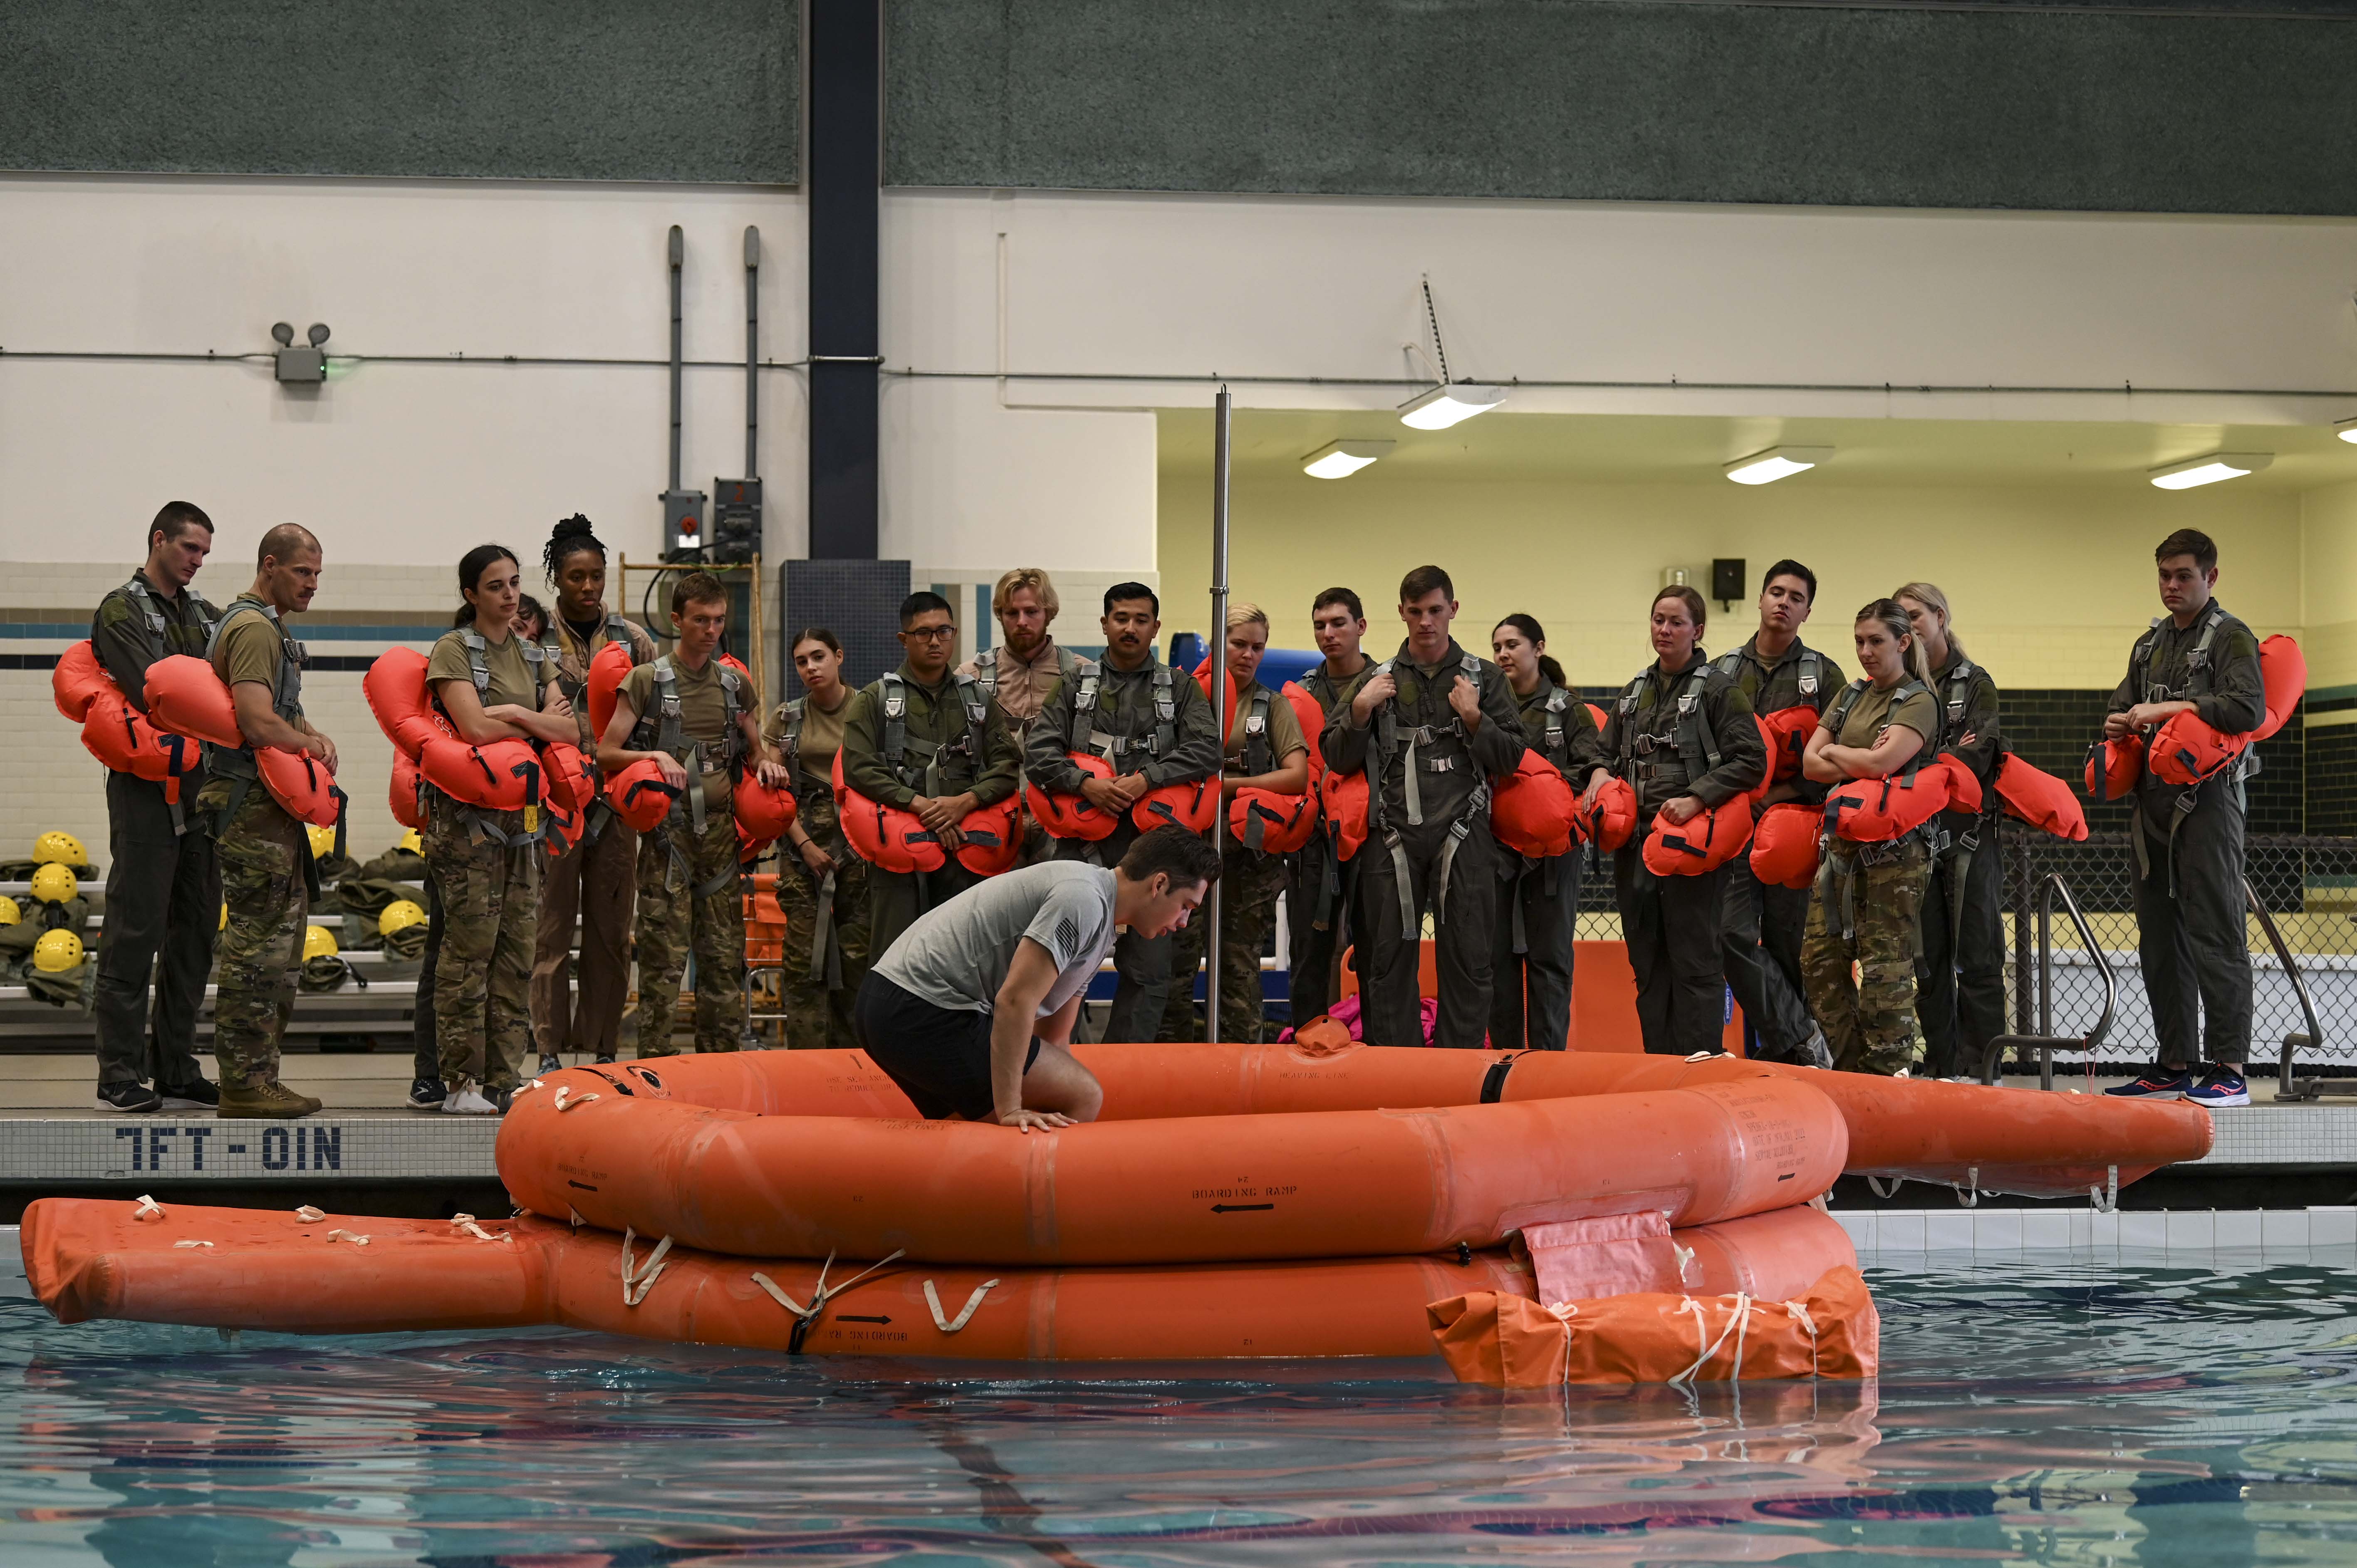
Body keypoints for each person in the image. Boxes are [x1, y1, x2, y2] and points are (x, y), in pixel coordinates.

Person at [856, 826, 1221, 1127]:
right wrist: (1011, 1108)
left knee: (986, 1128)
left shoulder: (1103, 918)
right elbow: (1015, 1001)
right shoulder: (1083, 900)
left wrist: (1036, 1093)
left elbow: (1054, 1040)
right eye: (1186, 907)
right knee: (1083, 1095)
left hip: (890, 1006)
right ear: (1159, 884)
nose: (1183, 923)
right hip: (923, 1010)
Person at [1325, 565, 1525, 1049]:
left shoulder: (1484, 678)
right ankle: (1400, 1072)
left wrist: (1474, 718)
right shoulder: (1376, 679)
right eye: (1415, 611)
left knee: (1469, 959)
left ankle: (1460, 1071)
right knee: (1386, 962)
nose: (1425, 621)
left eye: (1435, 610)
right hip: (1392, 836)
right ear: (1401, 612)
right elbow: (1335, 755)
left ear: (1452, 609)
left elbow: (1511, 757)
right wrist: (1359, 711)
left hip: (1465, 834)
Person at [2103, 529, 2265, 1108]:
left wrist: (2180, 705)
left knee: (2216, 932)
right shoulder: (2148, 644)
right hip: (2150, 806)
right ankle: (2173, 1062)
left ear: (2210, 577)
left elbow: (2248, 707)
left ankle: (2229, 1070)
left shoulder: (2230, 637)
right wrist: (2117, 722)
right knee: (2159, 939)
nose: (2171, 585)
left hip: (2208, 805)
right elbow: (2122, 703)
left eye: (2183, 576)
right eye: (2164, 575)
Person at [600, 571, 787, 1057]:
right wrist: (652, 755)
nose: (711, 629)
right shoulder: (647, 680)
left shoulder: (735, 684)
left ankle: (719, 1065)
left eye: (719, 620)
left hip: (721, 837)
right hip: (668, 838)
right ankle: (655, 1065)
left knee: (723, 959)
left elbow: (753, 749)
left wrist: (766, 763)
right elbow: (605, 752)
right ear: (677, 620)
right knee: (663, 960)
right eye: (701, 620)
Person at [1023, 583, 1221, 1040]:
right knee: (1060, 957)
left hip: (1157, 853)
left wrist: (1147, 778)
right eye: (1121, 618)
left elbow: (1206, 751)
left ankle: (1122, 1069)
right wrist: (1085, 784)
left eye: (1140, 620)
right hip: (1082, 848)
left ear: (1156, 626)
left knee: (1148, 971)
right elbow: (1038, 754)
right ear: (1105, 623)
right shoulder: (1074, 685)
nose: (1130, 628)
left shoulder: (1181, 688)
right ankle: (1053, 1062)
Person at [1579, 585, 1765, 1057]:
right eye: (1658, 620)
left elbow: (1751, 760)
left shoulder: (1719, 691)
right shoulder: (1633, 692)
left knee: (1696, 962)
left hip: (1691, 848)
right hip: (1636, 850)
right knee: (1647, 965)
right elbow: (1601, 754)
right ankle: (1660, 1068)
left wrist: (1697, 797)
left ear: (1697, 630)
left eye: (1676, 622)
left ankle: (1699, 1068)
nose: (1664, 629)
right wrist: (1598, 775)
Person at [426, 544, 577, 1111]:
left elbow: (571, 733)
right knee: (469, 953)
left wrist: (511, 715)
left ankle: (502, 1077)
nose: (510, 594)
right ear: (471, 594)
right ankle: (460, 1082)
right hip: (469, 827)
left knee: (517, 952)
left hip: (525, 825)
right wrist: (532, 720)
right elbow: (470, 728)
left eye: (514, 582)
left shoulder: (535, 656)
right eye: (495, 585)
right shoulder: (454, 650)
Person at [196, 523, 337, 1118]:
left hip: (264, 807)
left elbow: (280, 710)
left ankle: (260, 1077)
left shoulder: (267, 626)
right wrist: (308, 747)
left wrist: (312, 733)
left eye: (318, 574)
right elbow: (256, 721)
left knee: (277, 947)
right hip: (250, 806)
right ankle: (244, 1081)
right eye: (303, 571)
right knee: (259, 948)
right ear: (270, 565)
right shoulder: (254, 628)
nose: (312, 584)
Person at [88, 501, 222, 1114]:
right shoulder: (121, 610)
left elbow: (236, 686)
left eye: (205, 552)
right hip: (145, 790)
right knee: (134, 930)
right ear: (160, 539)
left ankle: (175, 1067)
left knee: (194, 933)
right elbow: (155, 692)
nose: (198, 561)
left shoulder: (205, 615)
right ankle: (118, 1072)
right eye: (190, 548)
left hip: (202, 790)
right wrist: (213, 706)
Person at [524, 514, 657, 1079]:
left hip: (615, 802)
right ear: (556, 577)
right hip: (554, 802)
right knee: (551, 928)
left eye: (596, 576)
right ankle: (549, 1046)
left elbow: (656, 717)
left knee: (611, 930)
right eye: (576, 576)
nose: (588, 586)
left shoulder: (634, 641)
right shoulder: (532, 640)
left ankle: (604, 1046)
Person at [839, 591, 1023, 965]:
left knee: (963, 957)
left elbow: (1007, 766)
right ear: (904, 639)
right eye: (923, 633)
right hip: (898, 851)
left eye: (944, 631)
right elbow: (858, 768)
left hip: (965, 849)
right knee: (895, 958)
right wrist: (920, 806)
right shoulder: (875, 700)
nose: (936, 641)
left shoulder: (978, 701)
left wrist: (966, 802)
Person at [1799, 599, 1941, 1076]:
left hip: (1895, 854)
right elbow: (1810, 763)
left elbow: (1884, 763)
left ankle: (1888, 1071)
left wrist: (1836, 752)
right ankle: (1851, 1068)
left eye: (1875, 641)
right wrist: (1855, 756)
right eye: (1859, 641)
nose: (1864, 651)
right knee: (1818, 960)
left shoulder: (1918, 701)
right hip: (1840, 848)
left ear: (1902, 642)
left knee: (1883, 967)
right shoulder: (1849, 694)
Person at [1158, 603, 1310, 1043]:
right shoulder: (1185, 698)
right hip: (1185, 853)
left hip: (1245, 861)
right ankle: (1172, 1068)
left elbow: (1296, 775)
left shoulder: (1273, 706)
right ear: (1217, 643)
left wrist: (1226, 788)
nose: (1248, 655)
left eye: (1257, 647)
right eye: (1238, 644)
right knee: (1175, 971)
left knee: (1239, 972)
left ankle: (1241, 1070)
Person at [1713, 561, 1842, 1068]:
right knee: (1729, 934)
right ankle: (1801, 1034)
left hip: (1796, 829)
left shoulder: (1824, 676)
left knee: (1791, 947)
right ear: (1760, 599)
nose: (1783, 602)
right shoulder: (1722, 672)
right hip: (1737, 827)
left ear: (1807, 611)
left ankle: (1787, 1058)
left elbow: (1835, 756)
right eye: (1776, 591)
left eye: (1795, 597)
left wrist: (1781, 793)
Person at [1895, 581, 2005, 1082]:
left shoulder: (1973, 683)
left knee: (1977, 954)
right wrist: (1944, 755)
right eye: (1899, 619)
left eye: (1915, 615)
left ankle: (1982, 1067)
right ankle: (1941, 1065)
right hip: (1913, 839)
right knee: (1926, 960)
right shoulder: (1898, 686)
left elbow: (1978, 754)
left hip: (1968, 837)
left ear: (1940, 617)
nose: (1908, 626)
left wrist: (1918, 761)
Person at [1488, 614, 1602, 1052]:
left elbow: (1592, 767)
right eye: (1497, 647)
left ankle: (1547, 1064)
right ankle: (1503, 1061)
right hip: (1496, 853)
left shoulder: (1567, 710)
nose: (1503, 654)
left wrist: (1540, 799)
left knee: (1549, 961)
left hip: (1554, 854)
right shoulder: (1485, 708)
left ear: (1538, 648)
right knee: (1497, 962)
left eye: (1512, 645)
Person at [765, 628, 871, 1050]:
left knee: (857, 958)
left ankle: (856, 1063)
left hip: (862, 850)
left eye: (819, 656)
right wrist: (804, 845)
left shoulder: (869, 709)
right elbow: (771, 794)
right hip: (802, 849)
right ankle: (806, 1063)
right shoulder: (788, 718)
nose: (810, 667)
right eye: (801, 661)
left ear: (838, 656)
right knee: (802, 961)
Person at [1287, 587, 1376, 1027]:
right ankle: (1307, 1046)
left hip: (1373, 838)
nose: (1328, 633)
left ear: (1360, 626)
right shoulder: (1300, 692)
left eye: (1338, 623)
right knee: (1308, 953)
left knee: (1378, 953)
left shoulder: (1387, 686)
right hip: (1313, 841)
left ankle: (1381, 1050)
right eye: (1320, 625)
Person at [961, 567, 1089, 867]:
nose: (1022, 622)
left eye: (1032, 612)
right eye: (1011, 613)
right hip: (994, 813)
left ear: (1049, 613)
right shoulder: (969, 678)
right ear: (1000, 615)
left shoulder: (1084, 676)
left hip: (1062, 812)